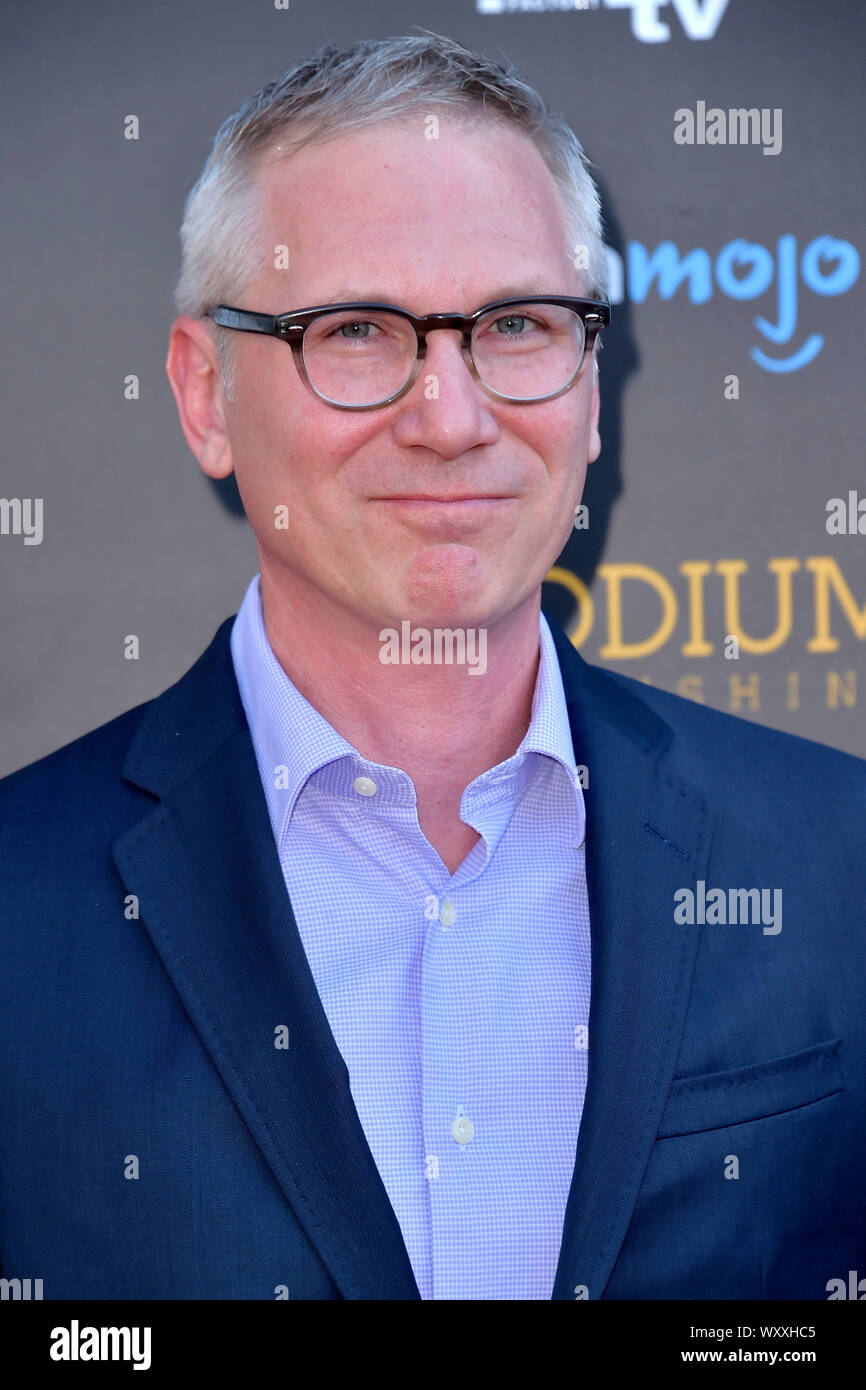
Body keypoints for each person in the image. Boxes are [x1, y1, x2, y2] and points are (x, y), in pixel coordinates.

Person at [1, 33, 864, 1303]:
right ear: (203, 393)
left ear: (591, 384)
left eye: (513, 324)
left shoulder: (833, 857)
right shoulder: (22, 910)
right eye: (355, 331)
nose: (450, 416)